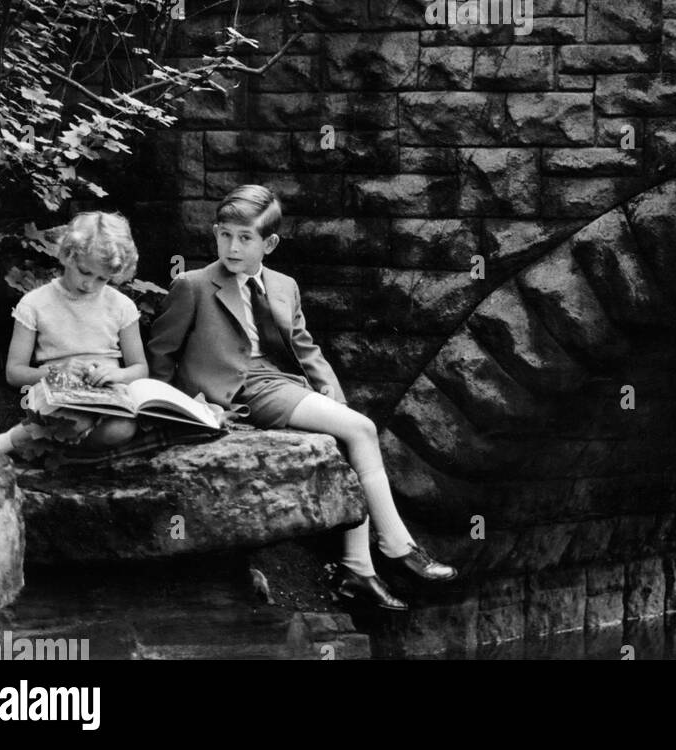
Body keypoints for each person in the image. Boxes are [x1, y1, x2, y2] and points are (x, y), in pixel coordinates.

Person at [146, 184, 456, 612]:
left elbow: (306, 348)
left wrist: (331, 390)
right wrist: (170, 411)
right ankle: (396, 545)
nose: (232, 247)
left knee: (350, 434)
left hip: (281, 381)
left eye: (245, 238)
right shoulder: (193, 285)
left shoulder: (283, 285)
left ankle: (358, 571)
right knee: (362, 429)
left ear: (269, 242)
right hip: (239, 390)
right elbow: (161, 354)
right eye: (225, 235)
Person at [0, 211, 148, 459]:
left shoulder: (122, 306)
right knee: (74, 419)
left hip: (108, 397)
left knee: (123, 430)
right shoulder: (35, 303)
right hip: (57, 394)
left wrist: (117, 374)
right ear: (67, 255)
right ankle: (1, 444)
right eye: (85, 272)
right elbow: (14, 373)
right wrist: (56, 371)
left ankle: (61, 452)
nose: (90, 285)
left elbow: (140, 368)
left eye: (102, 279)